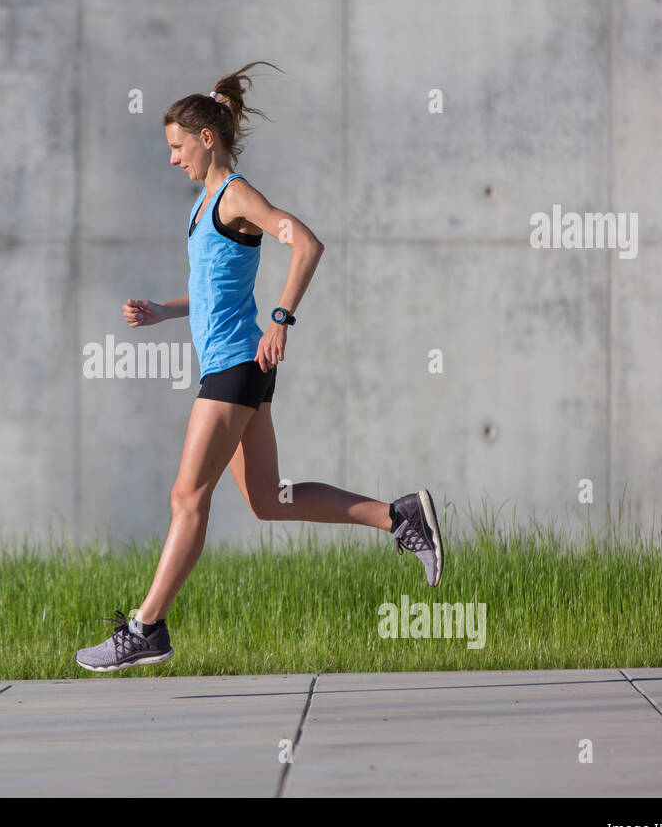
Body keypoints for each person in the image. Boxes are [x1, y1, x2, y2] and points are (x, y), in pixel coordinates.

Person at [76, 61, 443, 673]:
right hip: (236, 365)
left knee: (186, 498)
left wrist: (282, 318)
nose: (172, 159)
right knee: (269, 500)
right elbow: (213, 288)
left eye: (176, 146)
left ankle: (146, 627)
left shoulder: (235, 194)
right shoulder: (203, 208)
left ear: (206, 138)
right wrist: (163, 312)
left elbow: (305, 241)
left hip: (237, 366)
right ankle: (397, 516)